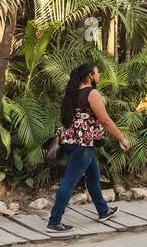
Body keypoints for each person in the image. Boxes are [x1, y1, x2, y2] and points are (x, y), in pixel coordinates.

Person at [47, 62, 130, 233]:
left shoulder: (73, 92)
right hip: (82, 145)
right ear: (91, 75)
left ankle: (103, 211)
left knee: (93, 176)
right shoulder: (92, 93)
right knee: (69, 183)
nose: (99, 76)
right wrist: (122, 138)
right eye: (98, 73)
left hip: (71, 143)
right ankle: (54, 221)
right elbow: (105, 120)